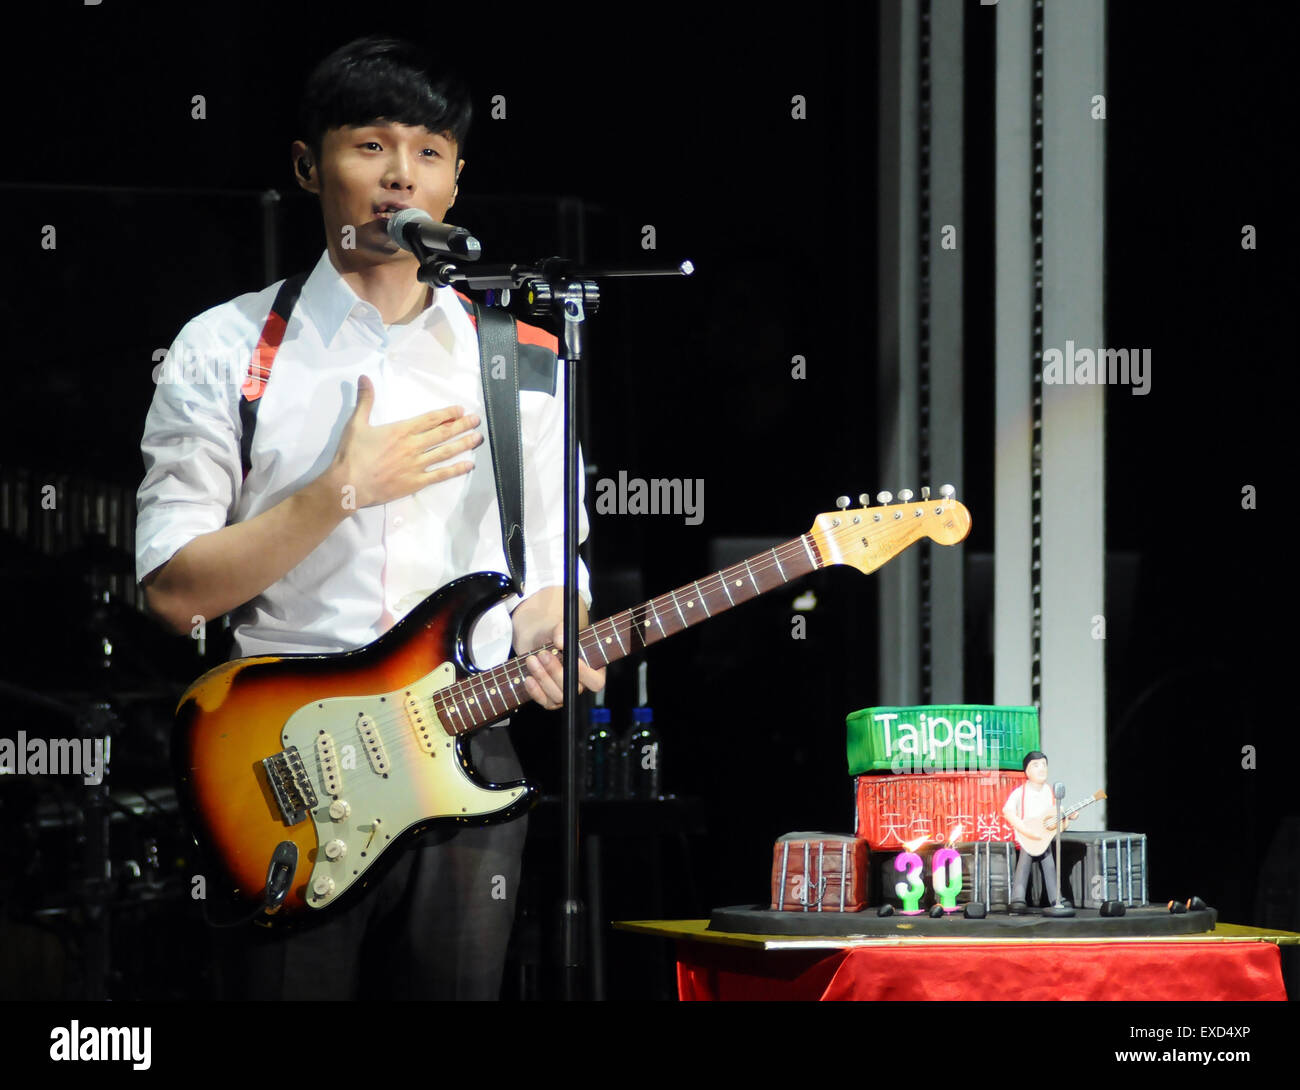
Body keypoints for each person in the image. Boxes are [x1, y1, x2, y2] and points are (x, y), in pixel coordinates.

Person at [134, 35, 605, 999]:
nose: (400, 176)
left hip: (469, 752)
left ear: (457, 182)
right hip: (284, 771)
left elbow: (555, 574)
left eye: (429, 152)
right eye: (371, 146)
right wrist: (334, 493)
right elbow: (174, 592)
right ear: (309, 165)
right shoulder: (225, 348)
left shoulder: (522, 359)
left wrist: (558, 626)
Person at [1002, 750, 1074, 913]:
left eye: (1044, 765)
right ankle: (1018, 899)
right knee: (1023, 866)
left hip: (1044, 838)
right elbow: (1008, 811)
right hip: (1028, 837)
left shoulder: (1050, 791)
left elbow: (1056, 816)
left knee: (1049, 867)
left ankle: (1055, 897)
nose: (1041, 769)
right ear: (1026, 771)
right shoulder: (1020, 792)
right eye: (1036, 765)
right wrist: (1024, 830)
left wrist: (1066, 818)